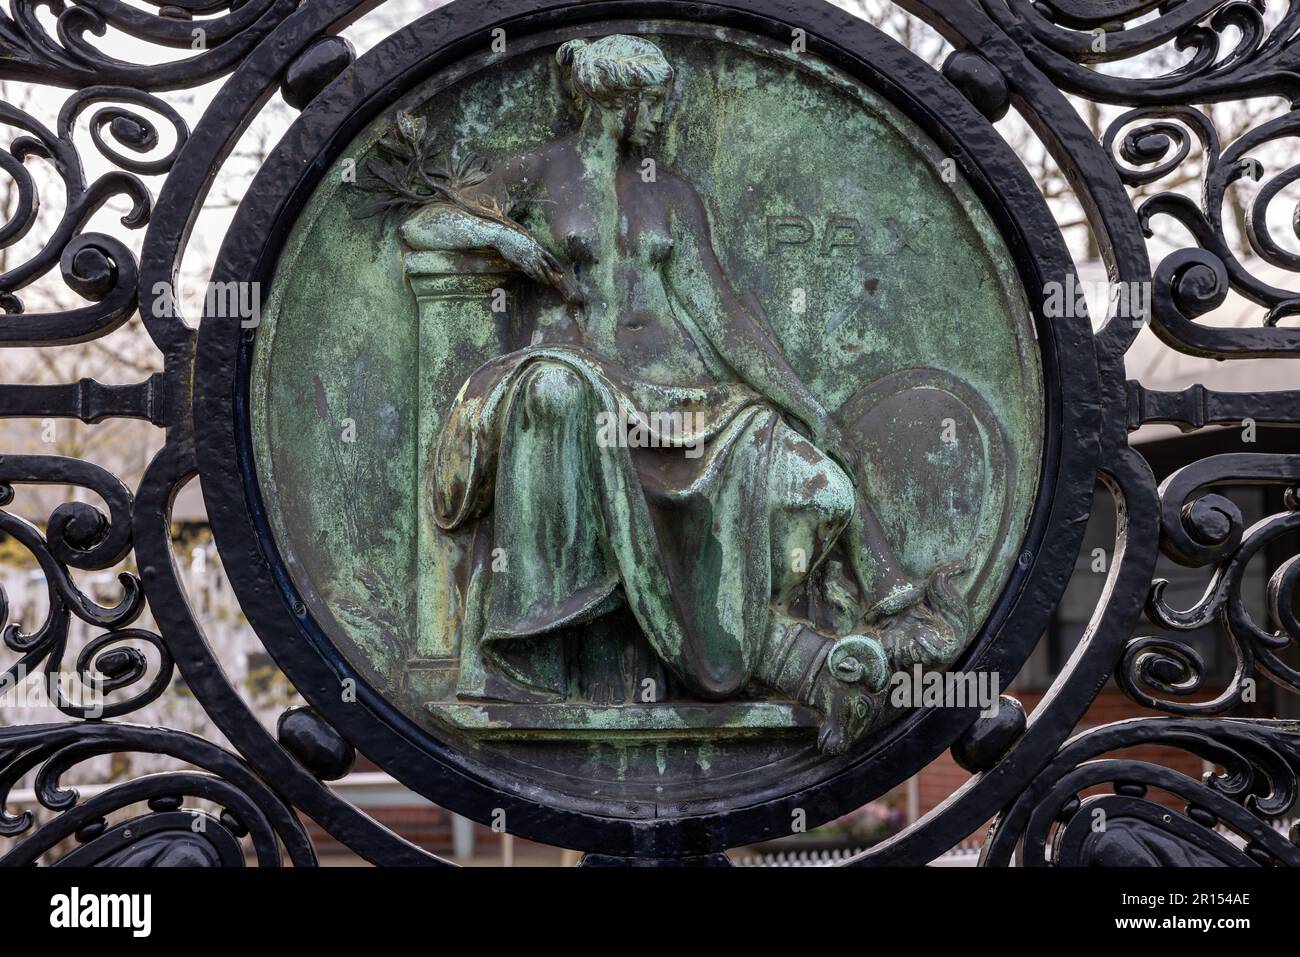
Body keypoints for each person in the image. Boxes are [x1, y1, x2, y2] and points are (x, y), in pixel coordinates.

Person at [399, 34, 966, 753]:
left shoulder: (670, 192)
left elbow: (723, 314)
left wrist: (804, 406)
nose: (664, 115)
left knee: (823, 488)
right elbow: (423, 221)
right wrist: (505, 240)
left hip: (687, 398)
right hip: (586, 384)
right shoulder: (540, 172)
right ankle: (794, 661)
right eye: (654, 99)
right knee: (558, 393)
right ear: (615, 98)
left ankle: (853, 631)